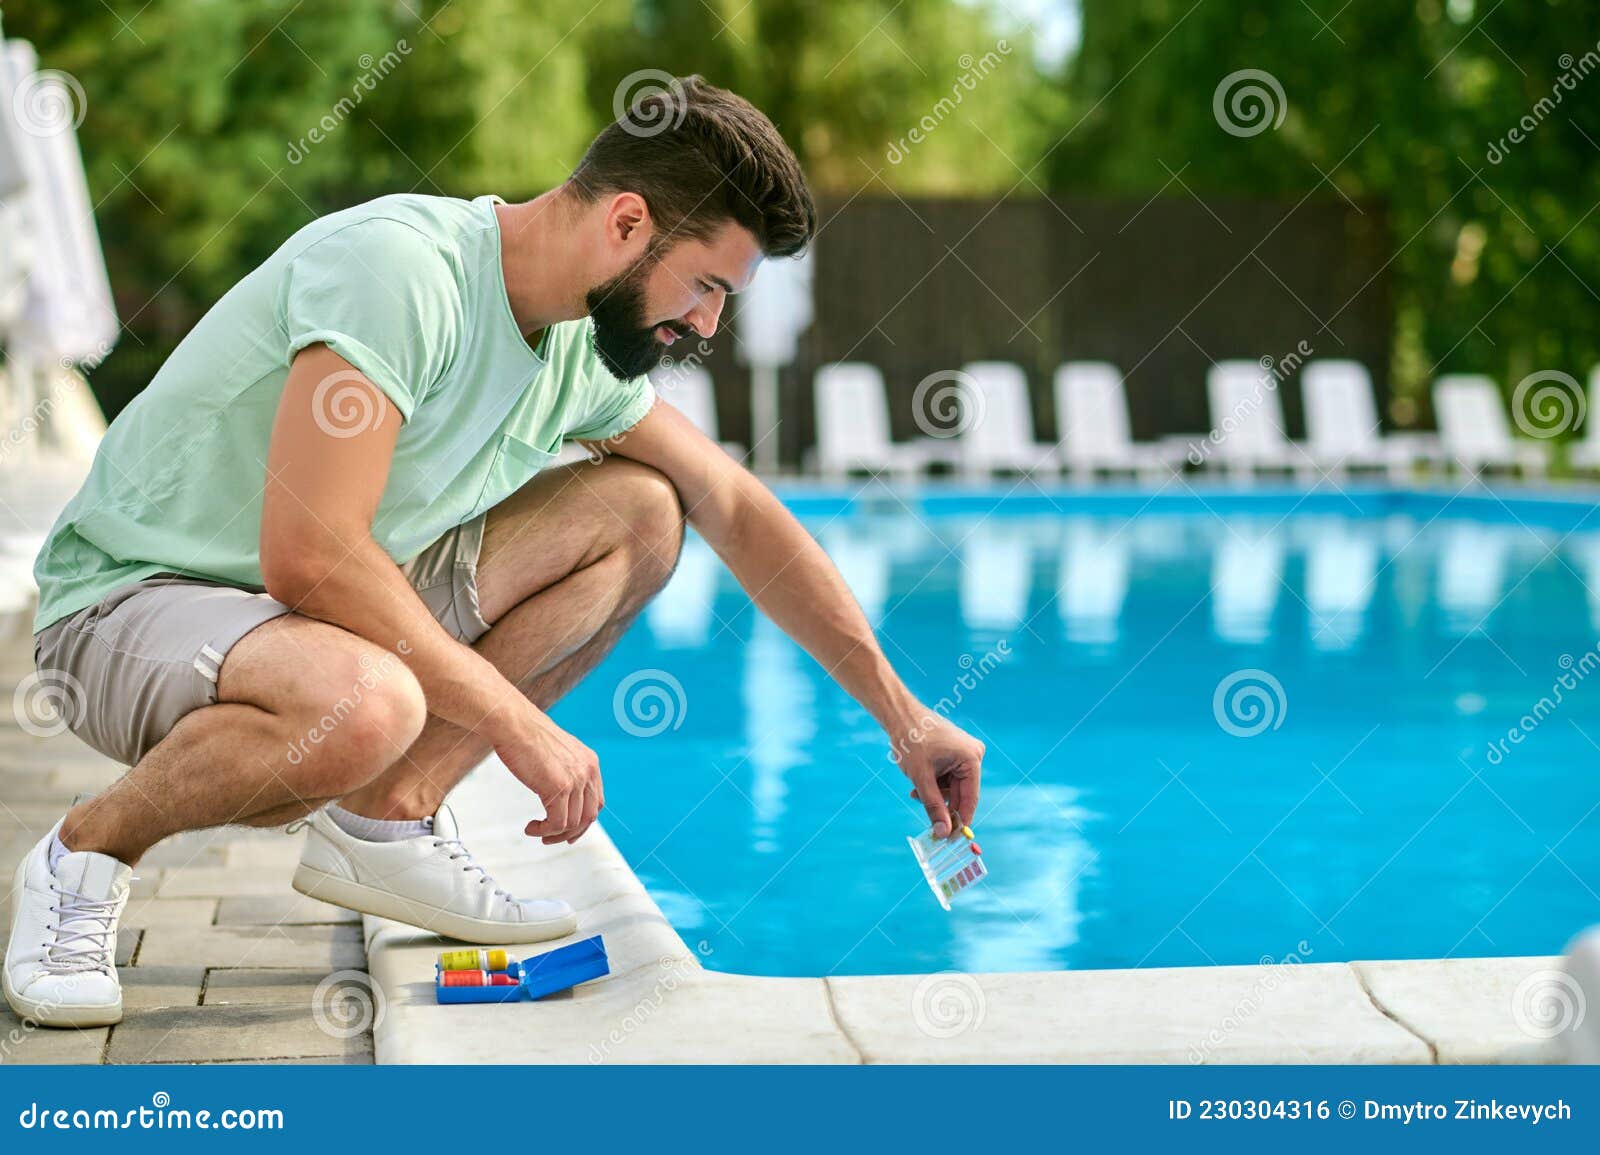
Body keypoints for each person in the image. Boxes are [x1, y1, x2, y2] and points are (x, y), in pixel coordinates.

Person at [4, 76, 984, 1028]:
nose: (707, 325)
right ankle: (83, 853)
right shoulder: (403, 272)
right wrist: (513, 720)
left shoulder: (573, 346)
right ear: (628, 224)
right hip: (128, 607)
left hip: (294, 620)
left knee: (644, 512)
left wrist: (902, 719)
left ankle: (390, 815)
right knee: (363, 705)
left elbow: (729, 500)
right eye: (708, 286)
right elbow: (310, 554)